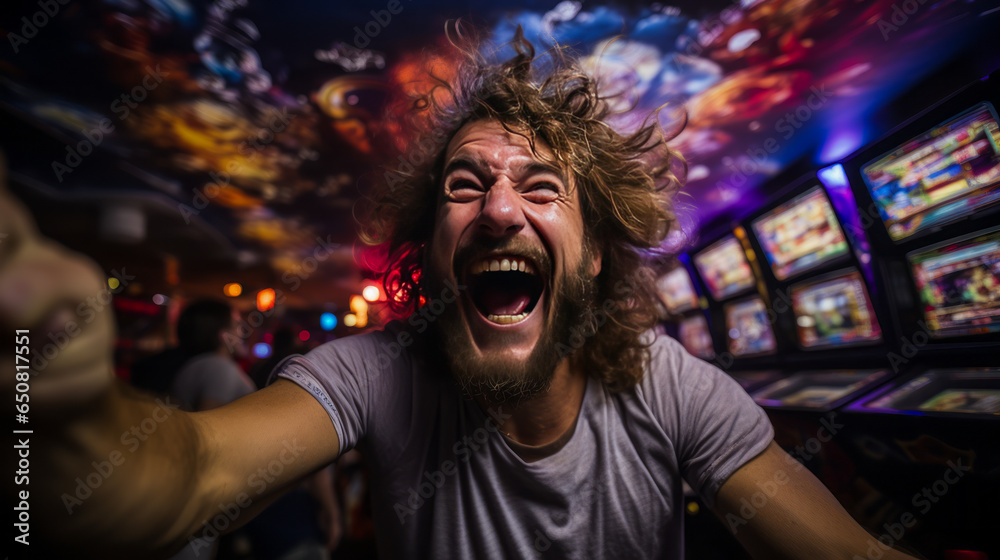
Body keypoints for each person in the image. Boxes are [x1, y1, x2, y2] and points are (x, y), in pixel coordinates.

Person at [1, 26, 920, 560]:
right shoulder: (374, 374)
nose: (500, 212)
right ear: (428, 252)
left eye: (542, 189)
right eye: (465, 185)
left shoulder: (670, 386)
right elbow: (195, 472)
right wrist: (68, 416)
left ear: (595, 256)